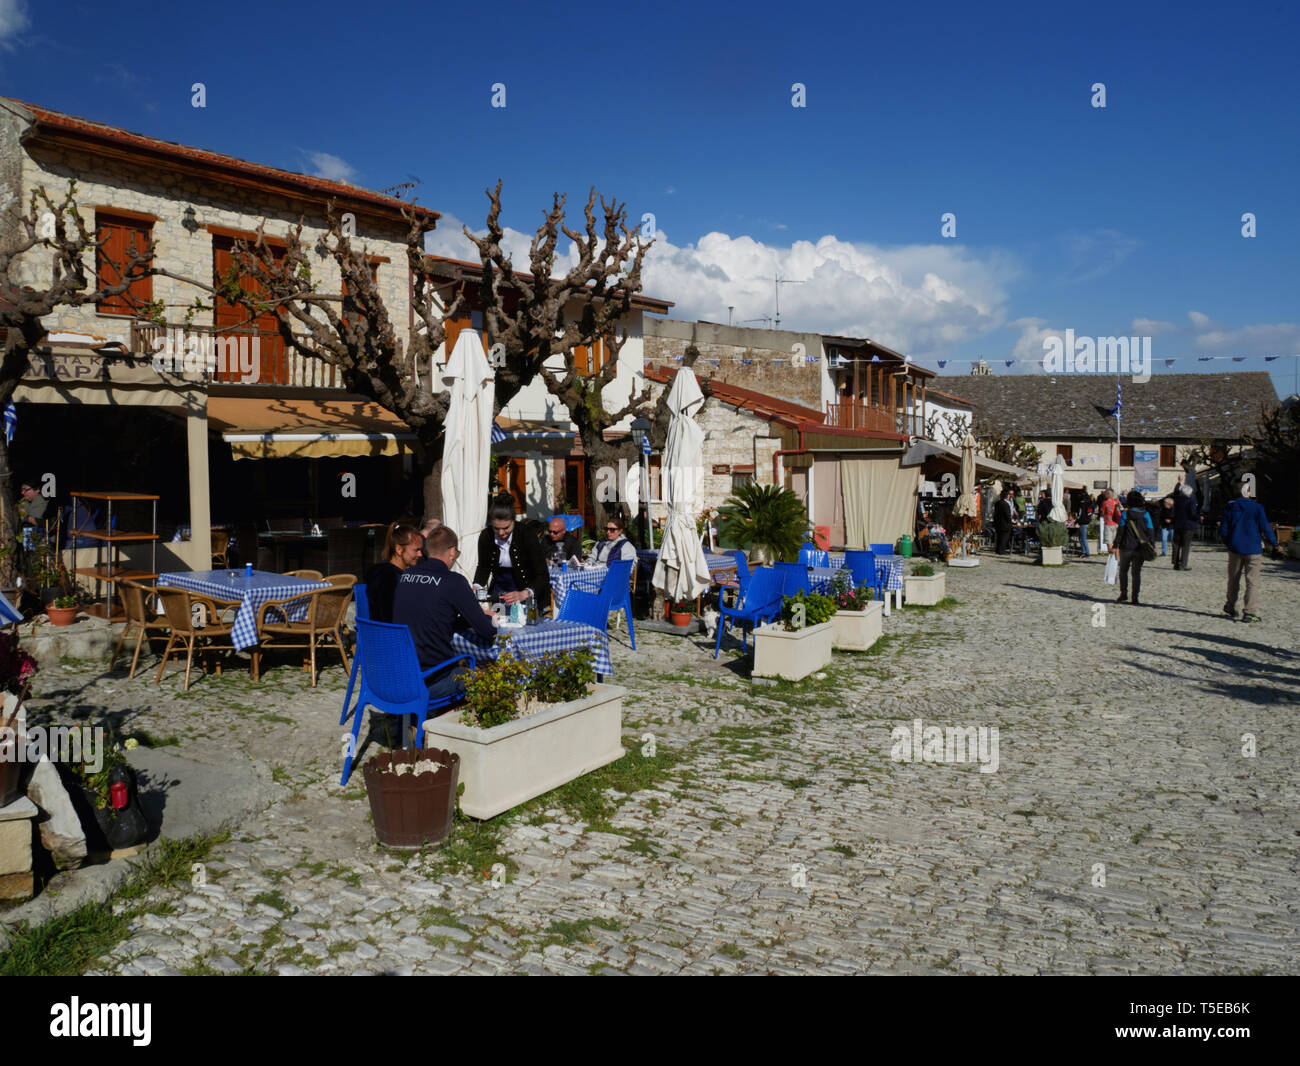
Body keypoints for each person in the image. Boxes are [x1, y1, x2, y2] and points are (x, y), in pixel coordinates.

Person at [393, 524, 498, 704]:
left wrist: (464, 619)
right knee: (490, 674)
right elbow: (487, 632)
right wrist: (488, 618)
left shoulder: (406, 575)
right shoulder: (454, 582)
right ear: (451, 551)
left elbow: (429, 615)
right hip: (430, 680)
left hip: (399, 676)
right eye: (456, 554)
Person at [473, 496, 551, 612]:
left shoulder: (527, 534)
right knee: (499, 625)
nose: (501, 533)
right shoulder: (486, 536)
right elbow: (483, 567)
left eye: (506, 528)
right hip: (499, 590)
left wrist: (525, 593)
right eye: (496, 528)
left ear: (514, 521)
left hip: (526, 591)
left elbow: (542, 573)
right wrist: (477, 586)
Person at [1219, 480, 1278, 623]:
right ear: (1248, 492)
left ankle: (1230, 605)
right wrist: (1275, 543)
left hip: (1235, 548)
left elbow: (1224, 529)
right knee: (1252, 581)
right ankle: (1249, 612)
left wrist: (1228, 542)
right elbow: (1265, 527)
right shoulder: (1257, 507)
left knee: (1233, 579)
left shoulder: (1230, 507)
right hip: (1253, 548)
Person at [364, 520, 423, 623]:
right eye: (416, 550)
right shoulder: (391, 578)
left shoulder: (378, 571)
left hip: (375, 633)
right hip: (394, 635)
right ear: (399, 550)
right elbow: (389, 615)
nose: (420, 554)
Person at [1111, 490, 1155, 605]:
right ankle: (1135, 597)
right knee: (1136, 573)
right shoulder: (1145, 514)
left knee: (1123, 571)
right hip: (1140, 547)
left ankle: (1123, 593)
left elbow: (1120, 531)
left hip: (1126, 546)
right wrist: (1152, 544)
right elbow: (1150, 530)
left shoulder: (1125, 513)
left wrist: (1116, 544)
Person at [1171, 483, 1199, 571]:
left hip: (1178, 524)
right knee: (1185, 545)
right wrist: (1199, 517)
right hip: (1188, 525)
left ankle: (1175, 563)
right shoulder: (1191, 501)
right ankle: (1183, 564)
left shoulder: (1177, 500)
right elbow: (1192, 514)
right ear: (1189, 493)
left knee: (1176, 544)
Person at [993, 488, 1014, 555]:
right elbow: (1007, 515)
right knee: (1004, 537)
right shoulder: (1005, 504)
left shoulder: (997, 503)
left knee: (999, 537)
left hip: (998, 522)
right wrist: (1011, 521)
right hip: (1005, 523)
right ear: (1007, 495)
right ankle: (1002, 551)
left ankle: (998, 550)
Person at [1072, 492, 1093, 557]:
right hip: (1086, 521)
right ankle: (1084, 551)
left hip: (1082, 522)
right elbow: (1090, 513)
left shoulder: (1081, 504)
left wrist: (1077, 521)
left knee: (1083, 538)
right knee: (1081, 538)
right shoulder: (1089, 503)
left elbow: (1080, 514)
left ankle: (1087, 552)